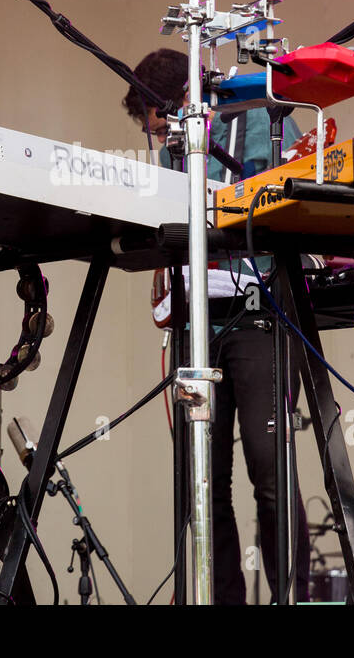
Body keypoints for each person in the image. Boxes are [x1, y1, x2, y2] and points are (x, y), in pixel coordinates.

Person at [124, 48, 310, 604]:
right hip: (198, 318)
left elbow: (279, 189)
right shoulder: (170, 151)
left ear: (183, 97)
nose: (163, 140)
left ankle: (290, 599)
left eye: (162, 125)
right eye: (156, 134)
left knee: (270, 469)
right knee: (204, 482)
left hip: (259, 311)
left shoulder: (256, 114)